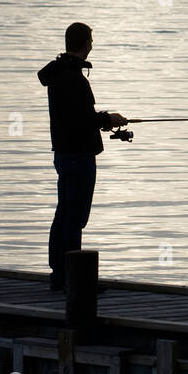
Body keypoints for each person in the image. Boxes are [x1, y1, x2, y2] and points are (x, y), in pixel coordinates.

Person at [37, 22, 127, 292]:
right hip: (79, 156)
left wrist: (102, 120)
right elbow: (82, 119)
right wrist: (108, 119)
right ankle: (73, 280)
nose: (92, 45)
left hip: (64, 154)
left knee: (64, 213)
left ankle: (59, 273)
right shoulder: (73, 78)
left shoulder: (59, 73)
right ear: (85, 43)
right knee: (75, 217)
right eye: (91, 41)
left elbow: (75, 117)